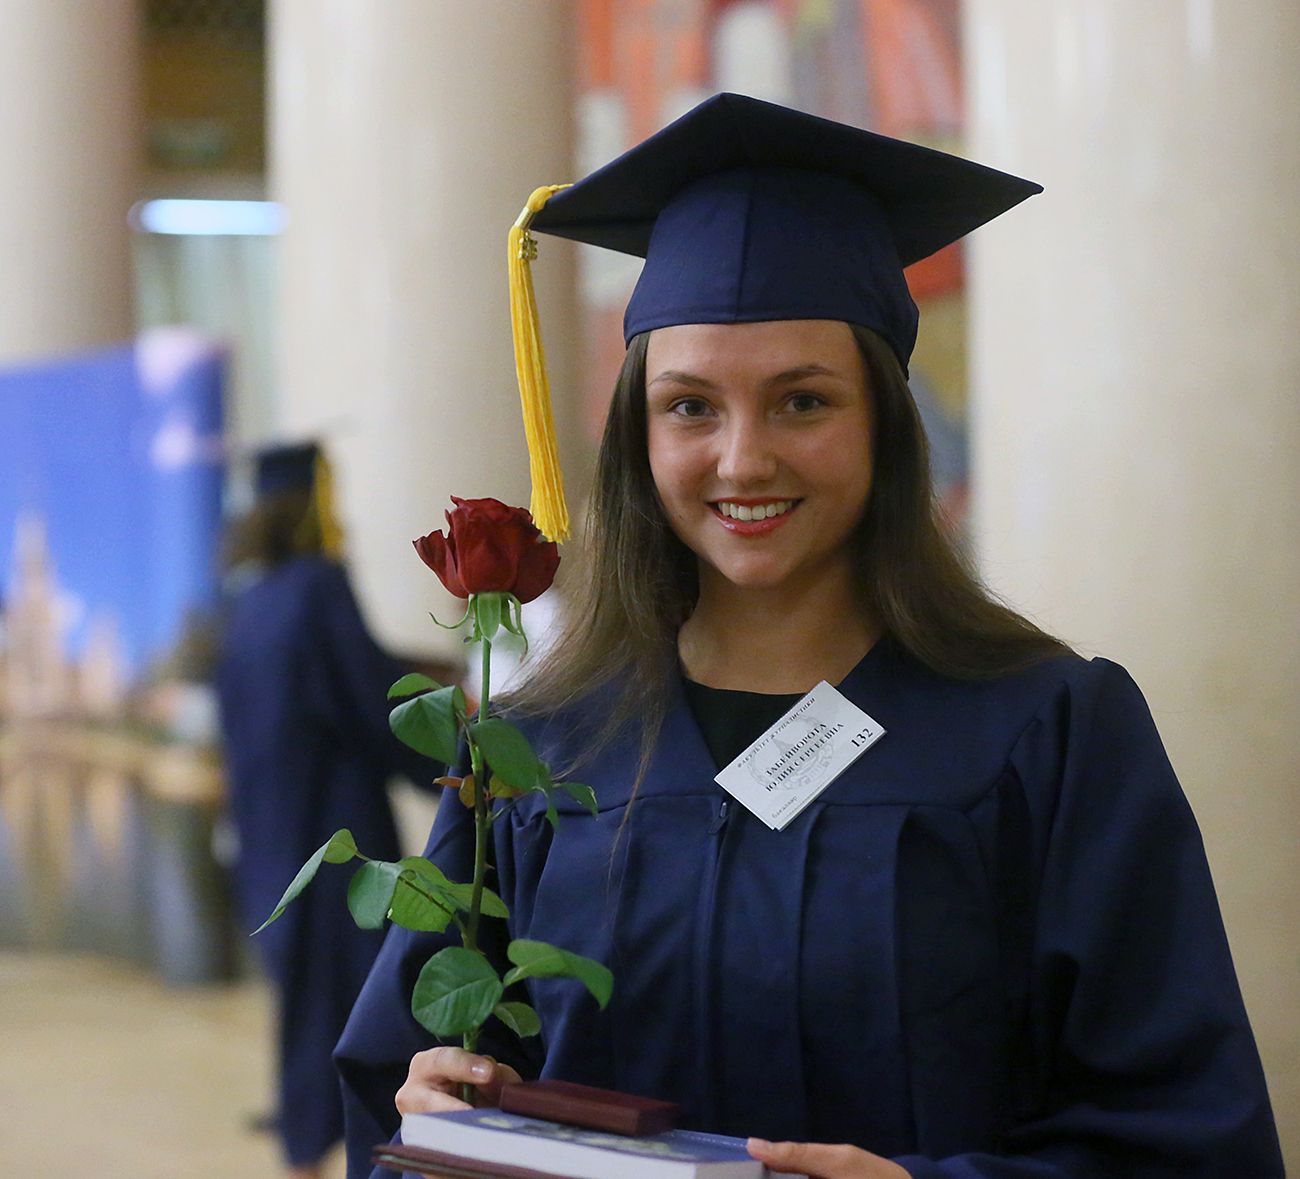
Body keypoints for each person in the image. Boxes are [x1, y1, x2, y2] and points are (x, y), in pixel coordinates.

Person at [333, 94, 1284, 1178]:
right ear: (636, 436)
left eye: (802, 402)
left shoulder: (1045, 731)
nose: (742, 461)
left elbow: (1184, 1140)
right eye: (690, 407)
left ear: (884, 422)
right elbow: (407, 1081)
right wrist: (439, 1114)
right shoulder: (540, 750)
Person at [217, 441, 436, 1179]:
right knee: (363, 1015)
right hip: (334, 838)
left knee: (306, 1013)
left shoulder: (250, 598)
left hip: (270, 838)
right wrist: (450, 757)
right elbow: (369, 699)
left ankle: (300, 1156)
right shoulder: (318, 585)